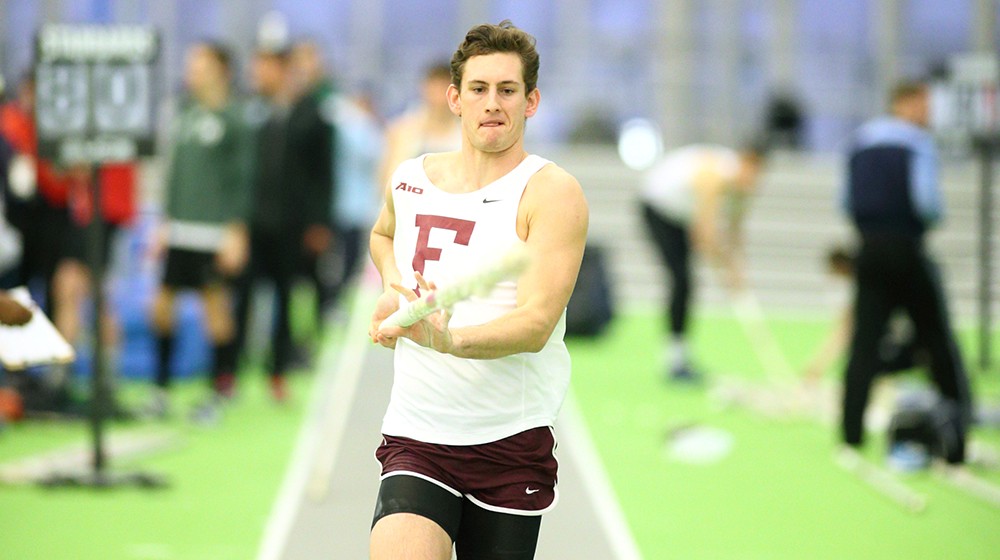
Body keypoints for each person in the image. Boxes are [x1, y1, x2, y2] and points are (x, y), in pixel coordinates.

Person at [367, 20, 588, 560]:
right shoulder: (410, 178)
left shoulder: (550, 191)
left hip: (509, 442)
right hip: (418, 432)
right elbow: (383, 234)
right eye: (479, 89)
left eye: (508, 90)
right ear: (454, 99)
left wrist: (450, 340)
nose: (493, 103)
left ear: (531, 101)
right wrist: (394, 286)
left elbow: (536, 324)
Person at [839, 80, 972, 465]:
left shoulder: (857, 142)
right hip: (906, 249)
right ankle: (956, 428)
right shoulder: (917, 143)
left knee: (864, 343)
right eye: (923, 106)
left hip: (868, 249)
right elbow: (928, 203)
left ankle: (851, 432)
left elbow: (846, 201)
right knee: (937, 339)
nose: (927, 114)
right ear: (906, 103)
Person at [145, 42, 254, 420]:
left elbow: (243, 180)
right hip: (178, 230)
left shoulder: (235, 119)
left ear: (221, 70)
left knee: (216, 312)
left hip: (214, 234)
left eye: (200, 64)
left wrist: (236, 231)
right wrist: (163, 222)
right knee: (159, 308)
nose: (192, 71)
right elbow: (173, 175)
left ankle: (219, 391)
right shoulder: (184, 114)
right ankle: (160, 390)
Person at [232, 45, 332, 401]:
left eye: (266, 67)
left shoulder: (312, 115)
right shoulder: (251, 113)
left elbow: (323, 175)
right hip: (253, 224)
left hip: (293, 226)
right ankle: (229, 373)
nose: (258, 74)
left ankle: (278, 371)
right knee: (241, 296)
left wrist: (320, 224)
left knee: (286, 297)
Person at [638, 142, 767, 382]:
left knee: (687, 283)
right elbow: (704, 234)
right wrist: (724, 270)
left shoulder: (745, 188)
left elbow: (734, 233)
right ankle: (675, 359)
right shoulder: (714, 175)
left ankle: (680, 355)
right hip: (659, 209)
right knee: (682, 280)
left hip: (682, 216)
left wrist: (737, 271)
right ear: (744, 160)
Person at [377, 61, 462, 188]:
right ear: (425, 88)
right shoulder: (401, 131)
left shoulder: (466, 133)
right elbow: (386, 180)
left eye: (443, 88)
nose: (439, 95)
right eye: (434, 87)